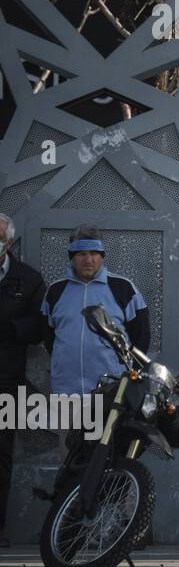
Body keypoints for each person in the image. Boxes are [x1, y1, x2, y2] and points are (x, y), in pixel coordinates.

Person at [42, 226, 149, 396]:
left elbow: (141, 337)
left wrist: (126, 374)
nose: (88, 259)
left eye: (94, 253)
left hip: (111, 390)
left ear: (102, 256)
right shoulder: (56, 291)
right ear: (72, 257)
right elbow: (48, 336)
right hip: (66, 389)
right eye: (81, 254)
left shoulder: (123, 288)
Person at [0, 215, 46, 548]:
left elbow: (43, 324)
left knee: (1, 459)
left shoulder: (28, 280)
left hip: (6, 381)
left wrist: (11, 331)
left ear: (10, 243)